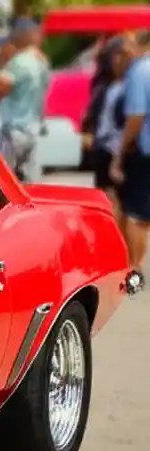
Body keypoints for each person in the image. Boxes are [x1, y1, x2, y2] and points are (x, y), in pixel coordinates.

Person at [0, 19, 51, 183]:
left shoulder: (18, 62)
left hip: (14, 129)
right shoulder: (42, 63)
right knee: (29, 183)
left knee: (0, 179)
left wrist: (0, 62)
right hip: (33, 129)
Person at [115, 32, 150, 272]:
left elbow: (136, 118)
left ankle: (133, 269)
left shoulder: (141, 71)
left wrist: (119, 154)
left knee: (137, 216)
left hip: (145, 152)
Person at [92, 38, 133, 223]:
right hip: (102, 146)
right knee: (104, 196)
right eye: (115, 55)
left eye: (122, 55)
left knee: (119, 199)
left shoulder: (131, 85)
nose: (117, 60)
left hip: (120, 146)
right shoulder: (103, 85)